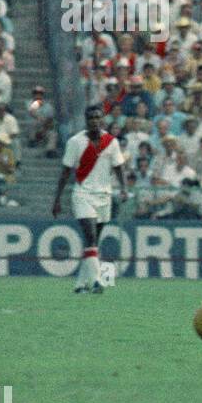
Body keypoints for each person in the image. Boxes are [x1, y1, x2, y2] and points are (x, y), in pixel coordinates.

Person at [52, 104, 127, 294]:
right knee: (91, 236)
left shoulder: (111, 142)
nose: (94, 121)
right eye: (91, 118)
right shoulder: (75, 142)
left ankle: (79, 284)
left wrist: (124, 188)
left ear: (102, 120)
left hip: (104, 195)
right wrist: (58, 199)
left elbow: (119, 167)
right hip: (82, 194)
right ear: (86, 121)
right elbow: (65, 172)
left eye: (97, 117)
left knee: (92, 242)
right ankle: (97, 281)